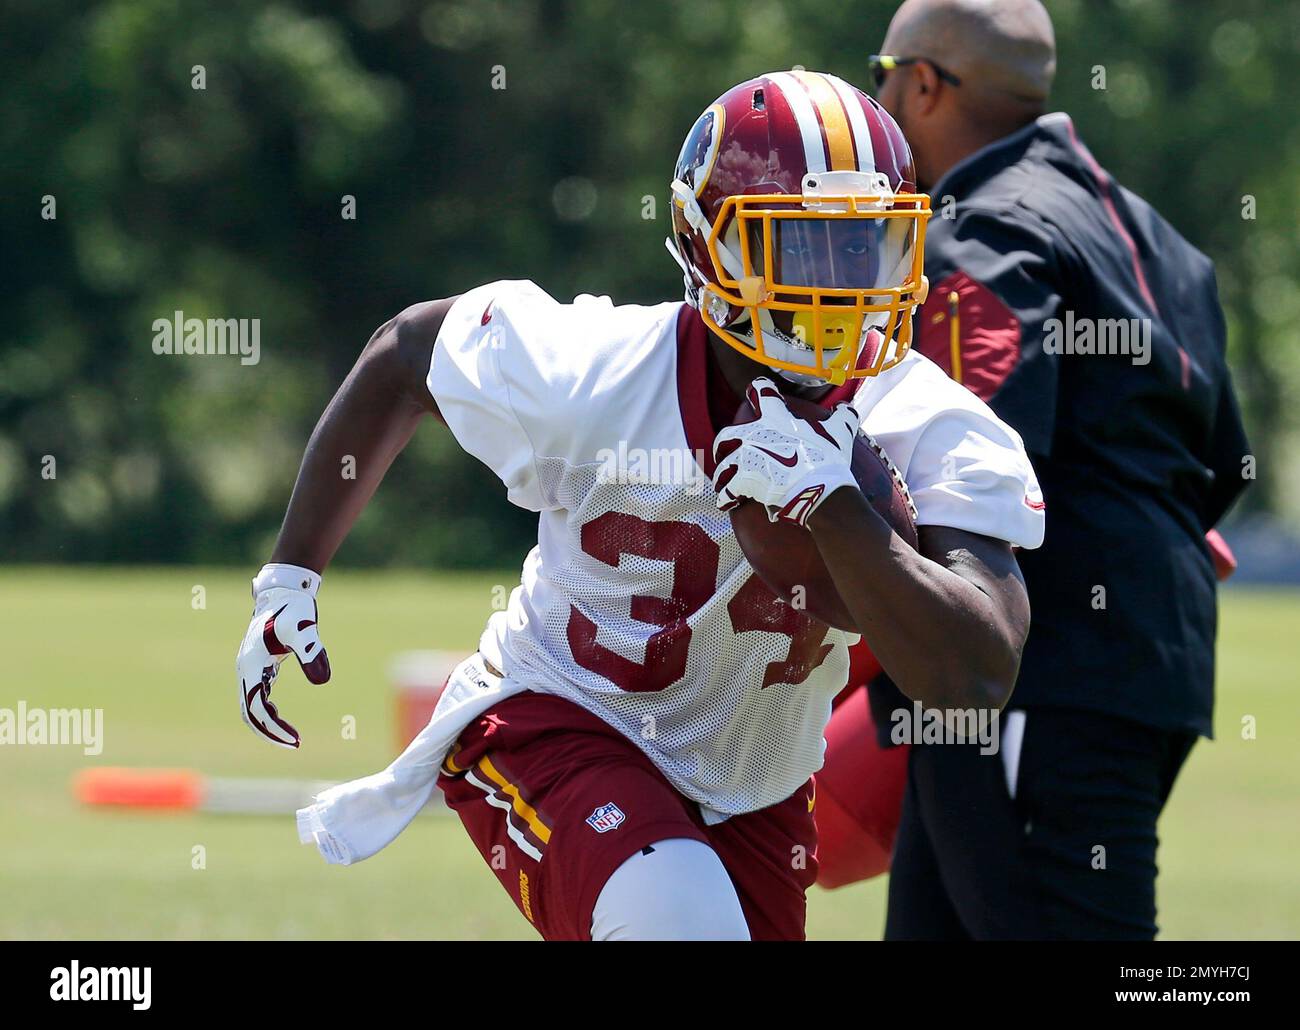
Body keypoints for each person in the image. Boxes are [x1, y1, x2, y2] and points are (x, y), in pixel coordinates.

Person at [234, 70, 1044, 941]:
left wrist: (835, 505)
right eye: (802, 244)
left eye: (864, 245)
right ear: (710, 247)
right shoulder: (594, 371)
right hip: (561, 716)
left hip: (750, 788)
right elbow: (402, 357)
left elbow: (976, 674)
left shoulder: (920, 417)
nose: (841, 284)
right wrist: (292, 570)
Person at [841, 0, 1251, 939]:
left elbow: (975, 475)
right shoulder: (1156, 234)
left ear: (925, 83)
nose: (879, 97)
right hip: (1146, 659)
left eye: (881, 74)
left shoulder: (981, 234)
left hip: (1037, 674)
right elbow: (1223, 463)